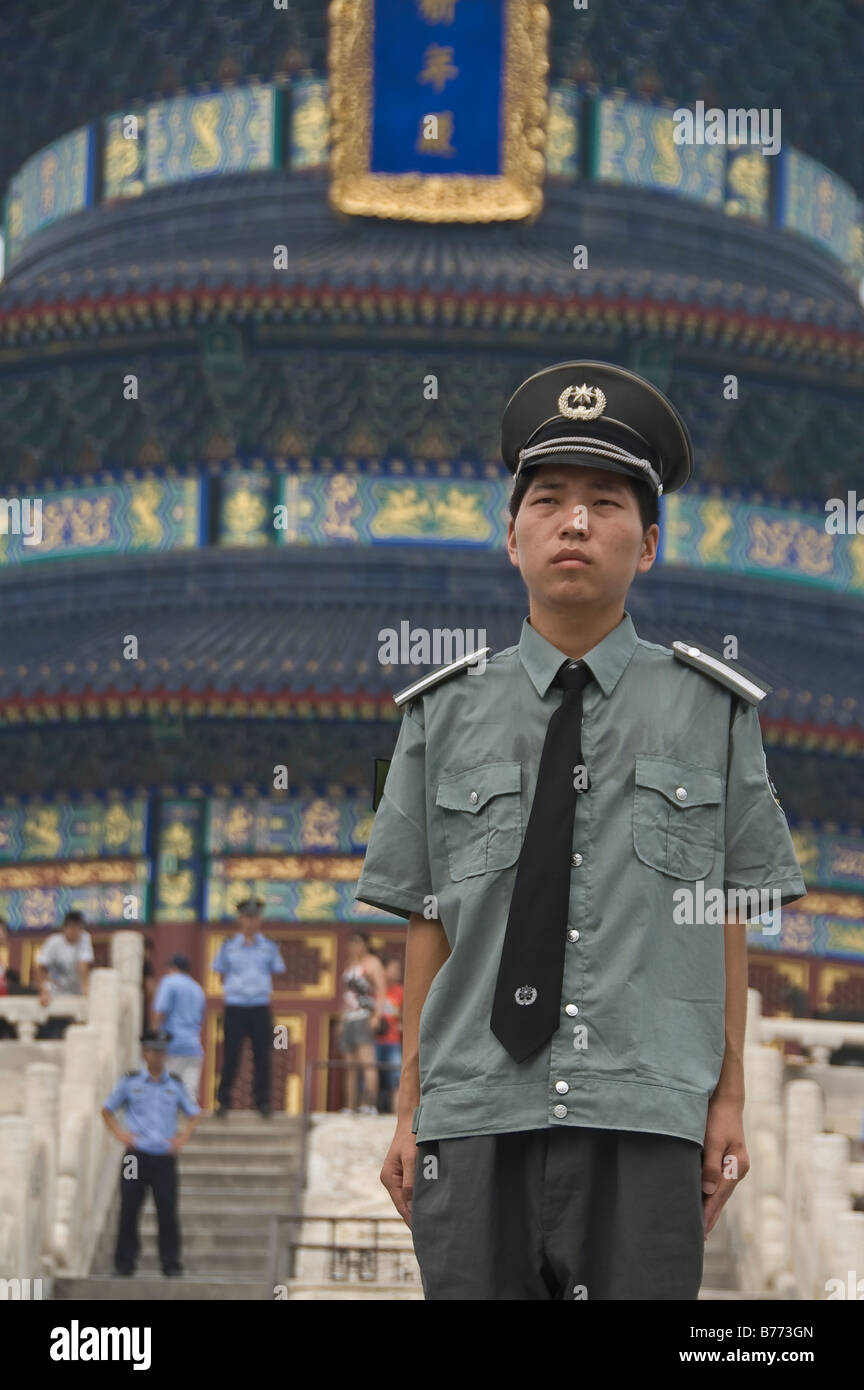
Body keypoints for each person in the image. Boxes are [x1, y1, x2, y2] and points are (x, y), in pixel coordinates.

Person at [356, 360, 807, 1301]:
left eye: (605, 504)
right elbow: (427, 922)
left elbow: (725, 915)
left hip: (646, 1115)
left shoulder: (712, 713)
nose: (574, 523)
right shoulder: (440, 717)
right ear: (510, 534)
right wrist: (410, 1108)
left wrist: (730, 1101)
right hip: (475, 1112)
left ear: (645, 546)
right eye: (550, 500)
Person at [101, 1030, 202, 1278]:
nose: (157, 1055)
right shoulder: (130, 1082)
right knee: (129, 1208)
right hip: (135, 1155)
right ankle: (124, 1262)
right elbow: (107, 1110)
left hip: (164, 1157)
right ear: (145, 1053)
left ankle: (170, 1263)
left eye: (161, 1051)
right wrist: (120, 1135)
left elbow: (194, 1113)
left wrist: (181, 1139)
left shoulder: (175, 1085)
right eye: (153, 1050)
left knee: (167, 1210)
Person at [213, 897, 286, 1118]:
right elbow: (219, 972)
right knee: (231, 1055)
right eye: (247, 917)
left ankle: (262, 1102)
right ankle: (223, 1100)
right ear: (240, 919)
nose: (251, 922)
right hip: (234, 1007)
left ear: (260, 919)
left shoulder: (270, 946)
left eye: (255, 917)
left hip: (260, 1007)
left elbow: (277, 970)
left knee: (263, 1056)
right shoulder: (228, 946)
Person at [338, 932, 387, 1115]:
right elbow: (346, 995)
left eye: (358, 943)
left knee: (368, 1063)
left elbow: (382, 992)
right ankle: (351, 1106)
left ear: (365, 944)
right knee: (350, 1066)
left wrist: (377, 1016)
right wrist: (341, 1020)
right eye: (352, 943)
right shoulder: (350, 965)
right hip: (349, 1017)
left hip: (364, 1015)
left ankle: (369, 1104)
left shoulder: (372, 963)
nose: (355, 947)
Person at [152, 954, 206, 1105]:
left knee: (168, 1091)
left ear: (173, 968)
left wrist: (154, 1035)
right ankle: (188, 1126)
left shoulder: (169, 982)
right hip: (194, 1046)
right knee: (190, 1092)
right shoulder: (197, 988)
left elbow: (160, 1010)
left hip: (172, 1044)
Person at [35, 910, 94, 1039]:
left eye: (78, 928)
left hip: (76, 994)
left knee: (77, 1036)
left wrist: (86, 991)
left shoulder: (85, 938)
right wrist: (44, 991)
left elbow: (83, 966)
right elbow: (40, 968)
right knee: (53, 1035)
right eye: (72, 927)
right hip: (55, 994)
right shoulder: (53, 942)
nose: (75, 931)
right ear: (65, 928)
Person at [375, 956, 404, 1115]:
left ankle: (395, 1115)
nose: (397, 972)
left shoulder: (400, 992)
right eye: (394, 968)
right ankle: (369, 1109)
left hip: (393, 1042)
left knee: (396, 1080)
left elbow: (405, 1017)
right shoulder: (375, 991)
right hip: (374, 1041)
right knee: (371, 1077)